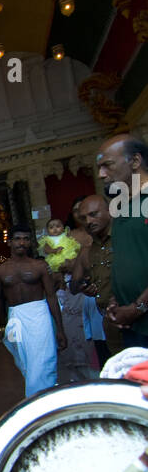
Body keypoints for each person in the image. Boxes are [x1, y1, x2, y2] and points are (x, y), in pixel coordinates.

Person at [0, 226, 66, 395]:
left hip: (40, 315)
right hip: (16, 317)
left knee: (44, 361)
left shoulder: (39, 266)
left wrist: (59, 329)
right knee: (26, 362)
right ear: (9, 242)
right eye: (17, 239)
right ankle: (40, 396)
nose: (22, 242)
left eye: (25, 239)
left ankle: (39, 399)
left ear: (31, 243)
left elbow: (51, 297)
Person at [96, 134, 148, 347]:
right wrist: (117, 301)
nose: (101, 174)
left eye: (107, 165)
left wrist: (138, 308)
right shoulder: (122, 207)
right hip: (133, 326)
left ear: (135, 161)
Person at [68, 194, 121, 364]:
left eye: (93, 214)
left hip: (137, 313)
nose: (88, 221)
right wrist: (84, 285)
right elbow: (74, 286)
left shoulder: (124, 239)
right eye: (83, 218)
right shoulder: (87, 251)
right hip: (109, 320)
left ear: (109, 212)